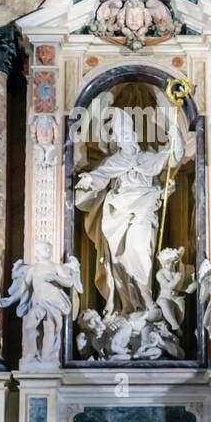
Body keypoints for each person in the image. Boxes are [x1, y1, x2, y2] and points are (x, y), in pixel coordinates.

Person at [75, 106, 185, 320]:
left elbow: (175, 156)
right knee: (119, 261)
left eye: (128, 134)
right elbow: (99, 177)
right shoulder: (113, 162)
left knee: (140, 252)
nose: (126, 139)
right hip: (117, 215)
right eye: (121, 136)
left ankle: (145, 300)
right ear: (117, 141)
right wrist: (89, 180)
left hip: (143, 211)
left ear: (134, 135)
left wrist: (176, 134)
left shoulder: (149, 158)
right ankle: (126, 306)